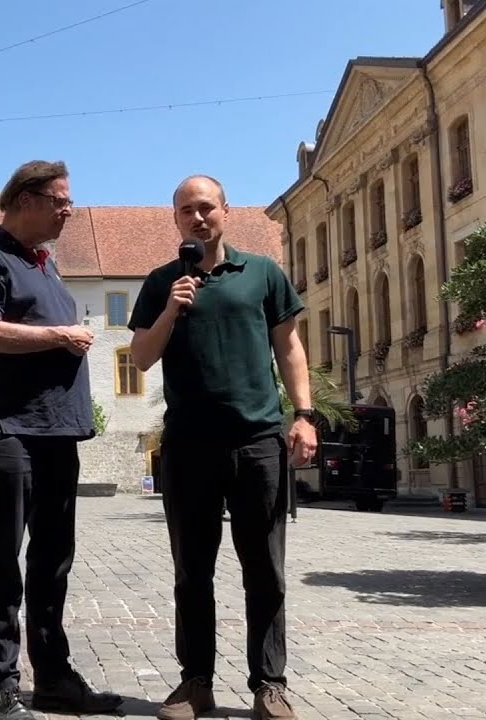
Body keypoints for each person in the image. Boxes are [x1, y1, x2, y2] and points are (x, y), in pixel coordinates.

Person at [128, 175, 317, 720]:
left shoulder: (261, 273)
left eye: (205, 207)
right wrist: (171, 308)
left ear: (225, 211)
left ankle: (269, 685)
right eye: (186, 210)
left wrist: (302, 416)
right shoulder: (162, 280)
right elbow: (141, 357)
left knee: (265, 569)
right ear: (176, 219)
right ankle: (196, 684)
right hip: (188, 447)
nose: (197, 217)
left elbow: (290, 348)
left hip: (257, 441)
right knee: (192, 570)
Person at [0, 160, 121, 720]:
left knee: (54, 561)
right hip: (13, 431)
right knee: (4, 559)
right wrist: (61, 334)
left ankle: (52, 678)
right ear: (26, 199)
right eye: (60, 199)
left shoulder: (46, 265)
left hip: (58, 433)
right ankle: (0, 685)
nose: (68, 209)